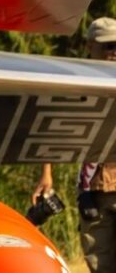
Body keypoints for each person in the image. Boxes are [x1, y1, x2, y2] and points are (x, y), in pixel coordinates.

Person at [34, 17, 116, 266]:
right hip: (92, 190)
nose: (113, 53)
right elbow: (52, 127)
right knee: (98, 263)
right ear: (90, 45)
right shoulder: (75, 82)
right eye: (107, 46)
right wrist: (46, 175)